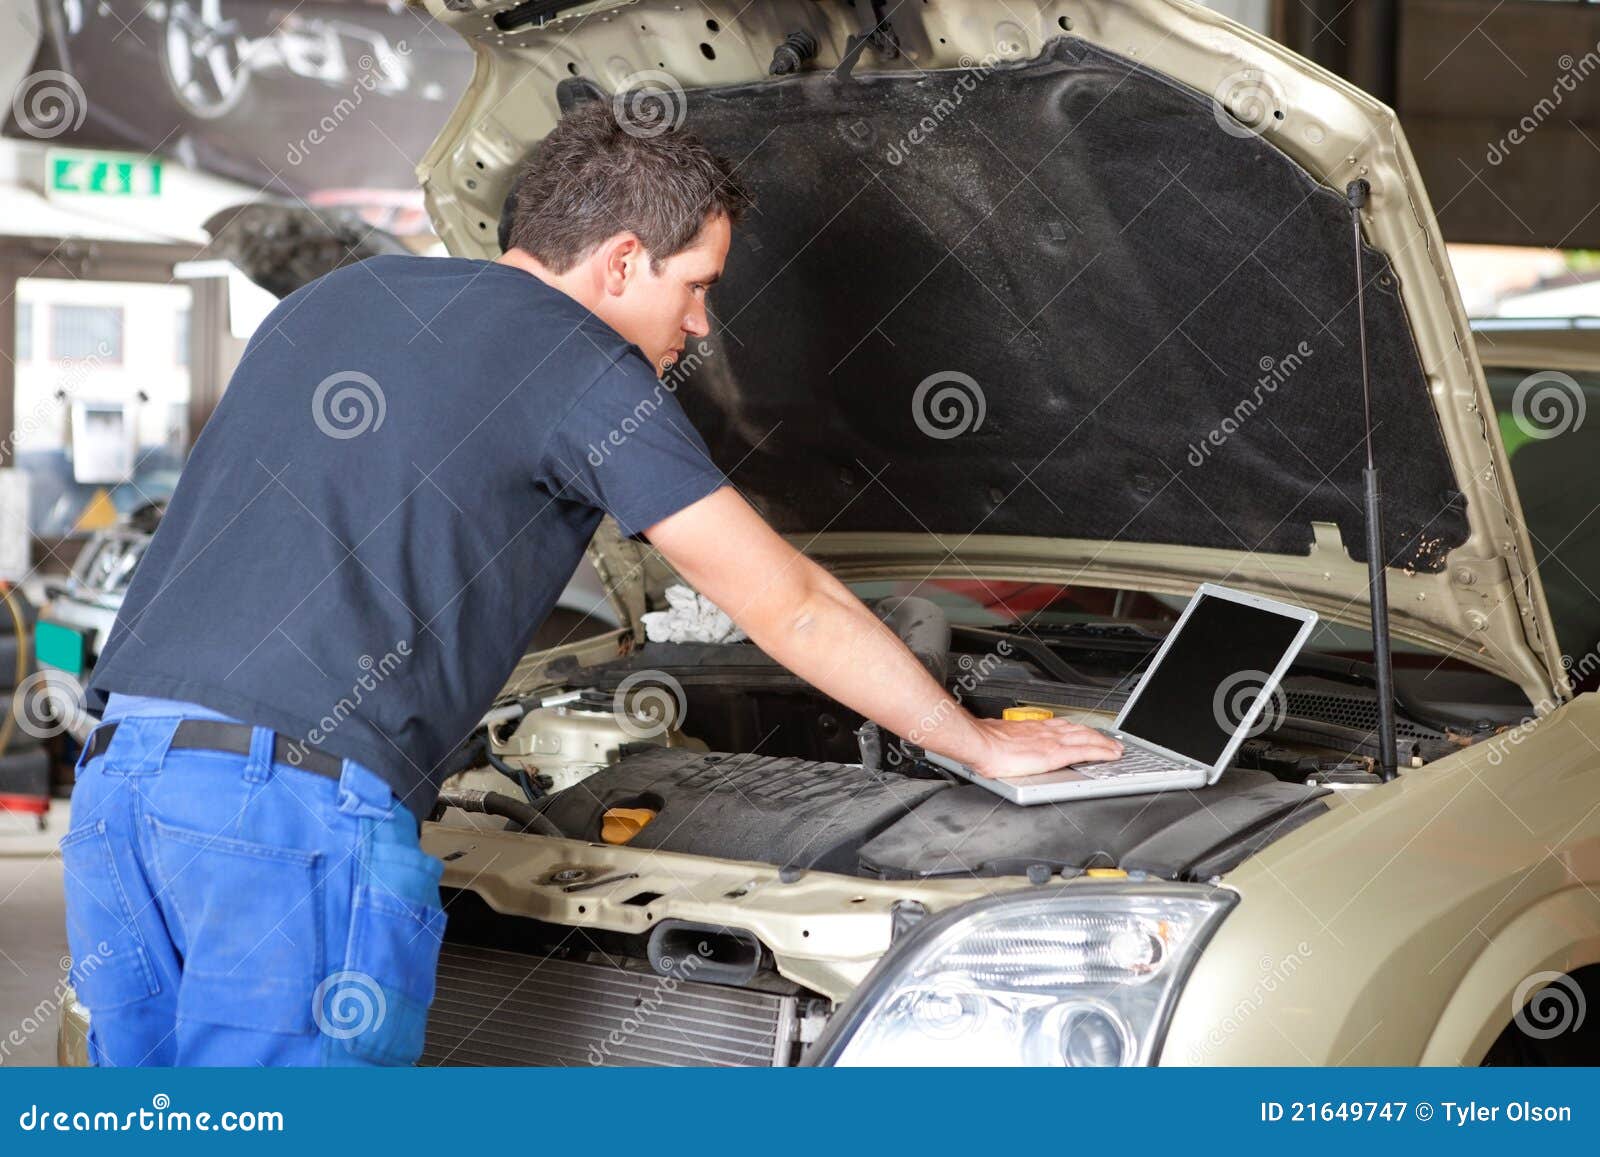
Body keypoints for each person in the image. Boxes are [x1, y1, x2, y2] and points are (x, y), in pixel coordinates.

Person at [60, 100, 1122, 1068]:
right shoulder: (575, 363)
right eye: (696, 284)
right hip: (286, 811)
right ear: (621, 263)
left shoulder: (341, 299)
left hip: (123, 779)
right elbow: (784, 599)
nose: (700, 325)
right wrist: (971, 738)